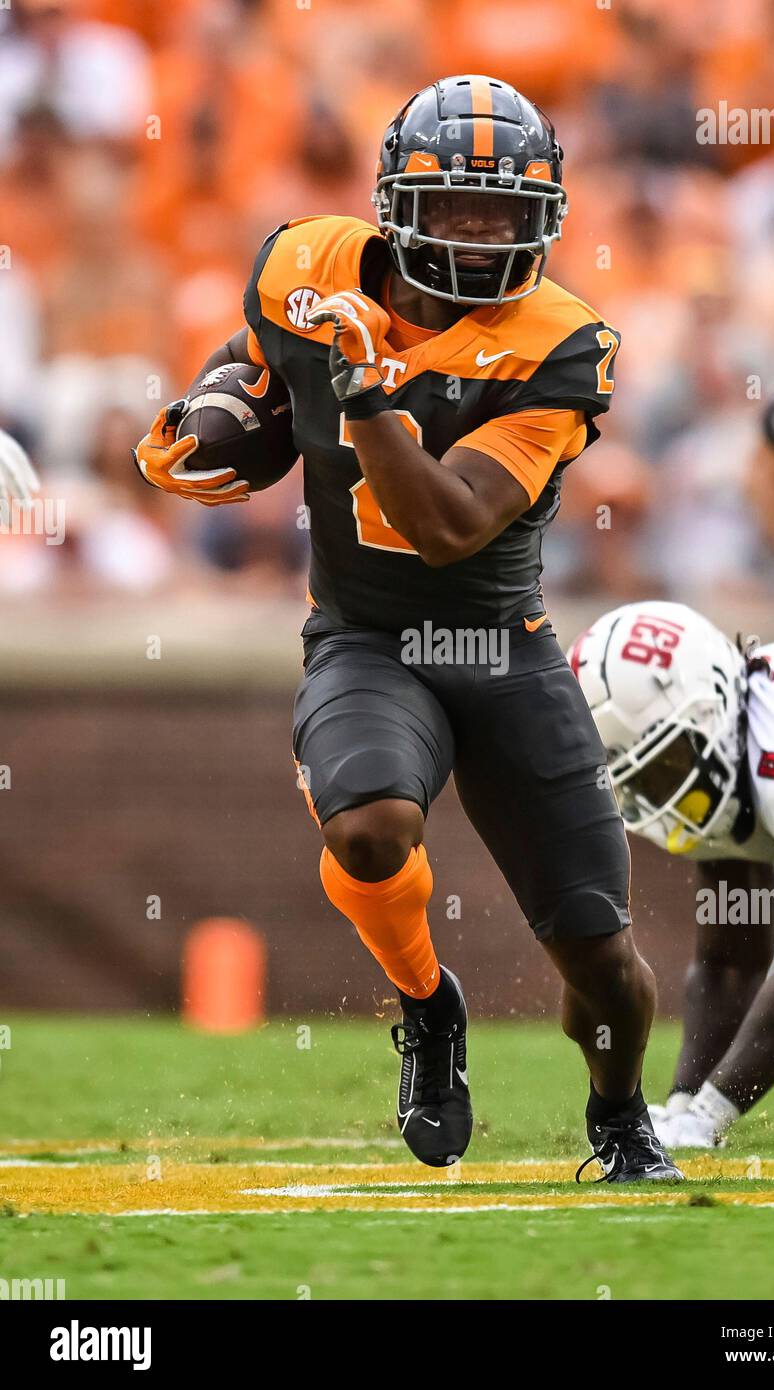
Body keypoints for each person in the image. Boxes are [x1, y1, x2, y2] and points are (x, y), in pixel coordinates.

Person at [132, 75, 681, 1183]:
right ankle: (429, 1005)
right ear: (394, 207)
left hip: (501, 646)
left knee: (600, 952)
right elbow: (258, 367)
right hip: (366, 638)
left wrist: (367, 397)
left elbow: (449, 526)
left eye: (503, 215)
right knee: (368, 826)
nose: (479, 239)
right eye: (457, 211)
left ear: (544, 220)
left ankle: (620, 1116)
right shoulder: (305, 268)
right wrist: (211, 412)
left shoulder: (558, 344)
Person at [570, 600, 774, 1147]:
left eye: (666, 765)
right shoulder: (726, 746)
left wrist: (709, 1117)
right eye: (641, 777)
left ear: (715, 710)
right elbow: (731, 960)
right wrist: (683, 1105)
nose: (658, 793)